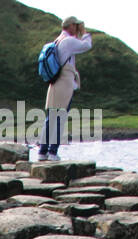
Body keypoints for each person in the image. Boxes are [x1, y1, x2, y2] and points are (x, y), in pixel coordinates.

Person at [38, 16, 92, 161]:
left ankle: (42, 152)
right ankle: (53, 152)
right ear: (71, 26)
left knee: (50, 118)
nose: (78, 28)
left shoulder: (57, 40)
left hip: (54, 83)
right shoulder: (68, 41)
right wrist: (85, 33)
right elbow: (86, 46)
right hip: (64, 83)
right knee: (60, 118)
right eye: (77, 25)